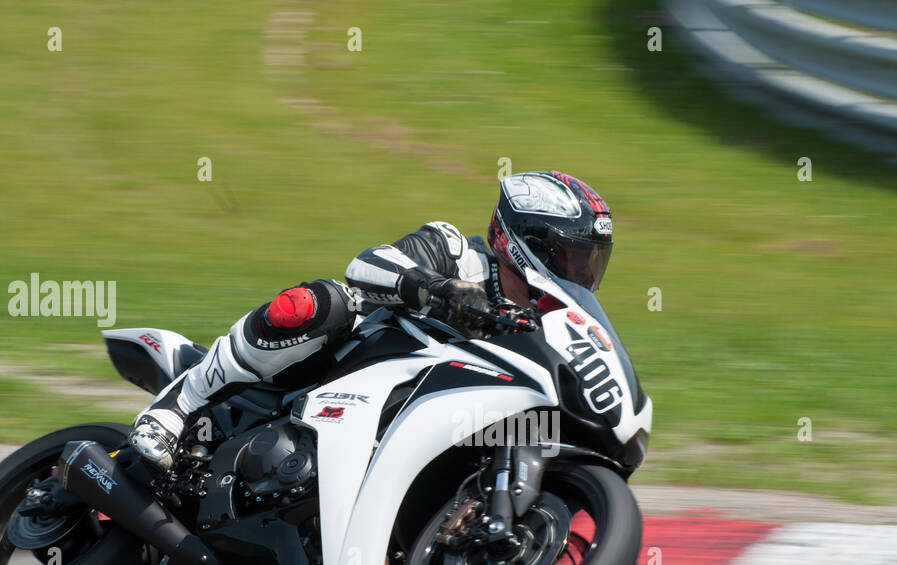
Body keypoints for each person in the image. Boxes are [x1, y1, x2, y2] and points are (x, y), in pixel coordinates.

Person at [128, 170, 613, 471]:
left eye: (587, 262)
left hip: (419, 419)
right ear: (522, 241)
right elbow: (365, 266)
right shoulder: (454, 250)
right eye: (569, 258)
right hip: (330, 373)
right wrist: (438, 291)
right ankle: (178, 405)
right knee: (320, 302)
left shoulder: (546, 321)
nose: (578, 274)